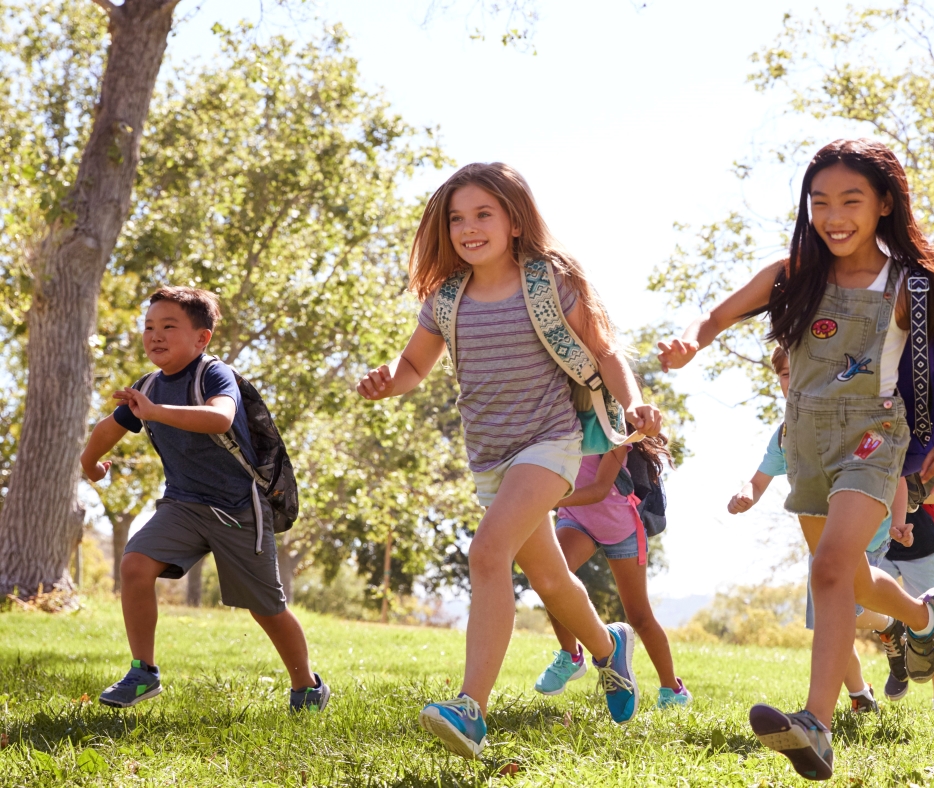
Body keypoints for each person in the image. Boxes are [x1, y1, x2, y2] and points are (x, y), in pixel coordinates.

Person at [664, 138, 934, 780]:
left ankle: (815, 726)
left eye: (851, 200)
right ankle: (921, 614)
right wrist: (692, 340)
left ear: (883, 204)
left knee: (827, 573)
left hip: (873, 435)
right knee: (848, 580)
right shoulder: (791, 274)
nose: (834, 215)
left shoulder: (909, 286)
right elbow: (720, 313)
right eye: (820, 202)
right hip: (804, 440)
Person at [357, 162, 662, 760]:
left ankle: (470, 709)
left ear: (515, 219)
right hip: (490, 458)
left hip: (549, 445)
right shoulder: (446, 299)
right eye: (457, 218)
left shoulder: (549, 282)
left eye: (483, 214)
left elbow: (604, 351)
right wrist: (386, 383)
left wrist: (636, 403)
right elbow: (414, 367)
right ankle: (609, 646)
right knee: (548, 577)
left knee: (487, 552)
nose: (469, 228)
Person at [80, 286, 327, 713]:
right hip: (183, 505)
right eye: (149, 327)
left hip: (239, 509)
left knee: (266, 608)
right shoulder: (150, 385)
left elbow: (220, 416)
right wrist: (89, 464)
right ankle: (143, 672)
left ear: (201, 338)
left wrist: (154, 412)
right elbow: (108, 428)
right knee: (135, 564)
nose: (155, 335)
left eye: (168, 326)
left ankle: (307, 686)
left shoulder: (212, 375)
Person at [730, 346, 898, 716]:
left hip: (865, 532)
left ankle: (893, 624)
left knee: (839, 614)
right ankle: (861, 694)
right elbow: (758, 480)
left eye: (800, 370)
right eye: (785, 375)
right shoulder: (786, 433)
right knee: (828, 622)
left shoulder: (849, 416)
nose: (793, 381)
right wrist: (746, 495)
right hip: (819, 538)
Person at [533, 435, 692, 709]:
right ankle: (570, 656)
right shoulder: (559, 421)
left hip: (620, 527)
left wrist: (546, 500)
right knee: (553, 575)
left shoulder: (612, 431)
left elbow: (599, 489)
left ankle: (673, 689)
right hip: (577, 520)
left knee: (639, 616)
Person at [875, 501, 934, 709]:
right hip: (880, 546)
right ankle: (898, 663)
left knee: (928, 622)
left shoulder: (917, 467)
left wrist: (909, 490)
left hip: (922, 549)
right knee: (866, 607)